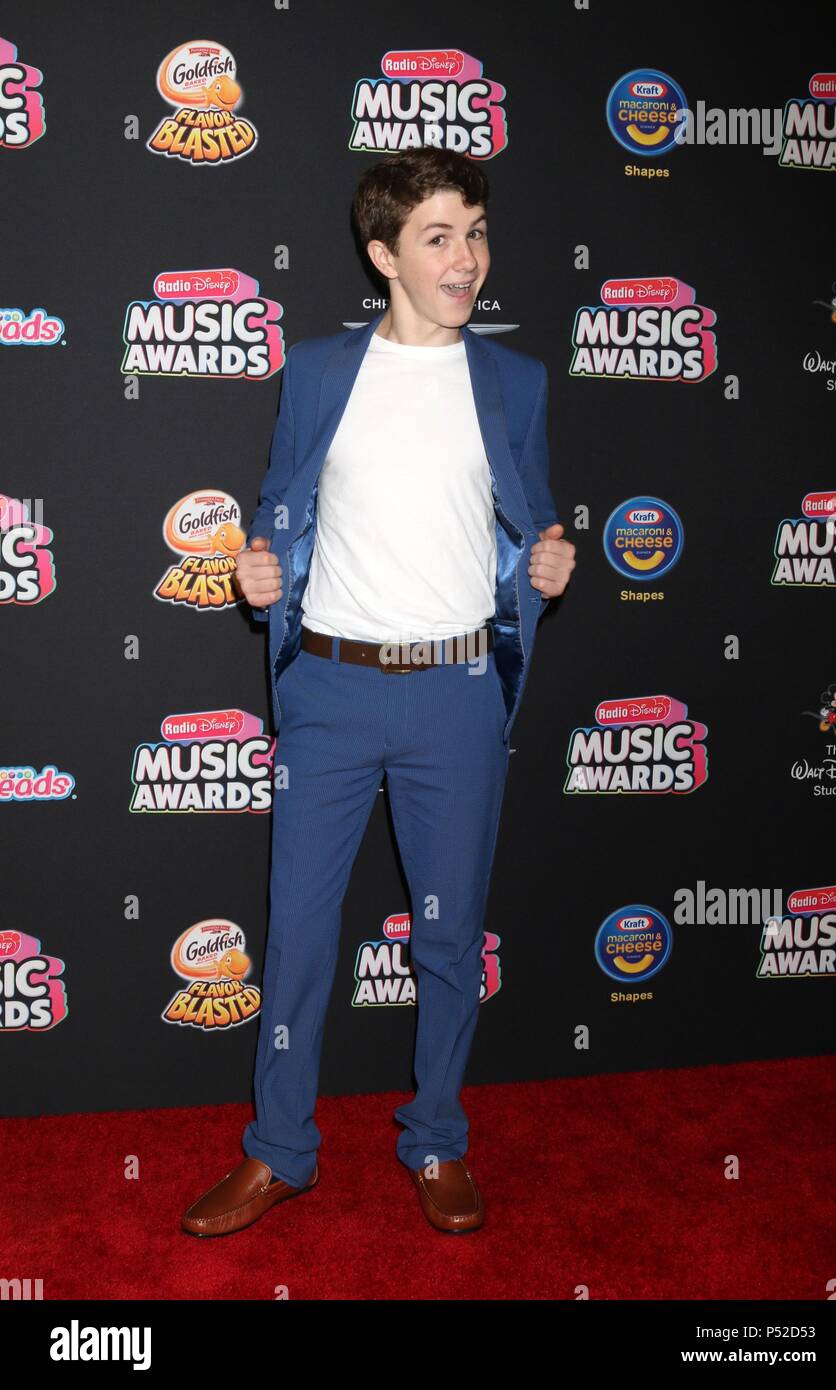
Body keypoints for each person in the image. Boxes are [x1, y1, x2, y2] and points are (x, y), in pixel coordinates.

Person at [181, 147, 576, 1238]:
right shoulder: (315, 370)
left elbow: (532, 526)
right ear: (383, 254)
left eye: (477, 232)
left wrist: (551, 562)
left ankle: (437, 1136)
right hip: (330, 695)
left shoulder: (516, 382)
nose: (466, 258)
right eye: (440, 237)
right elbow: (278, 508)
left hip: (453, 698)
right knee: (299, 934)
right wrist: (259, 569)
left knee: (448, 939)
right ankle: (279, 1153)